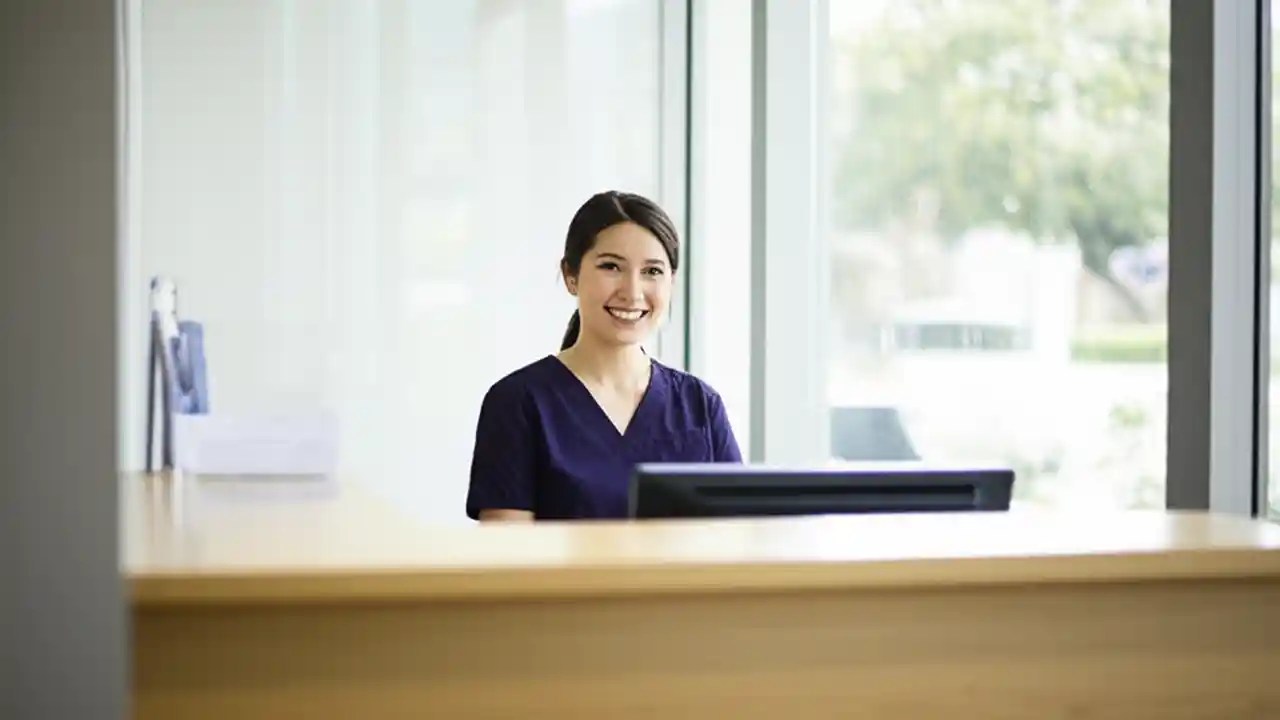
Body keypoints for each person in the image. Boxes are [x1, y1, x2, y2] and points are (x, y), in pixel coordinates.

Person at [466, 190, 742, 521]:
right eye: (611, 266)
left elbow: (737, 543)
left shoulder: (700, 406)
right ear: (571, 275)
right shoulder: (518, 403)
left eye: (652, 271)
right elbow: (507, 561)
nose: (633, 292)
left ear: (672, 283)